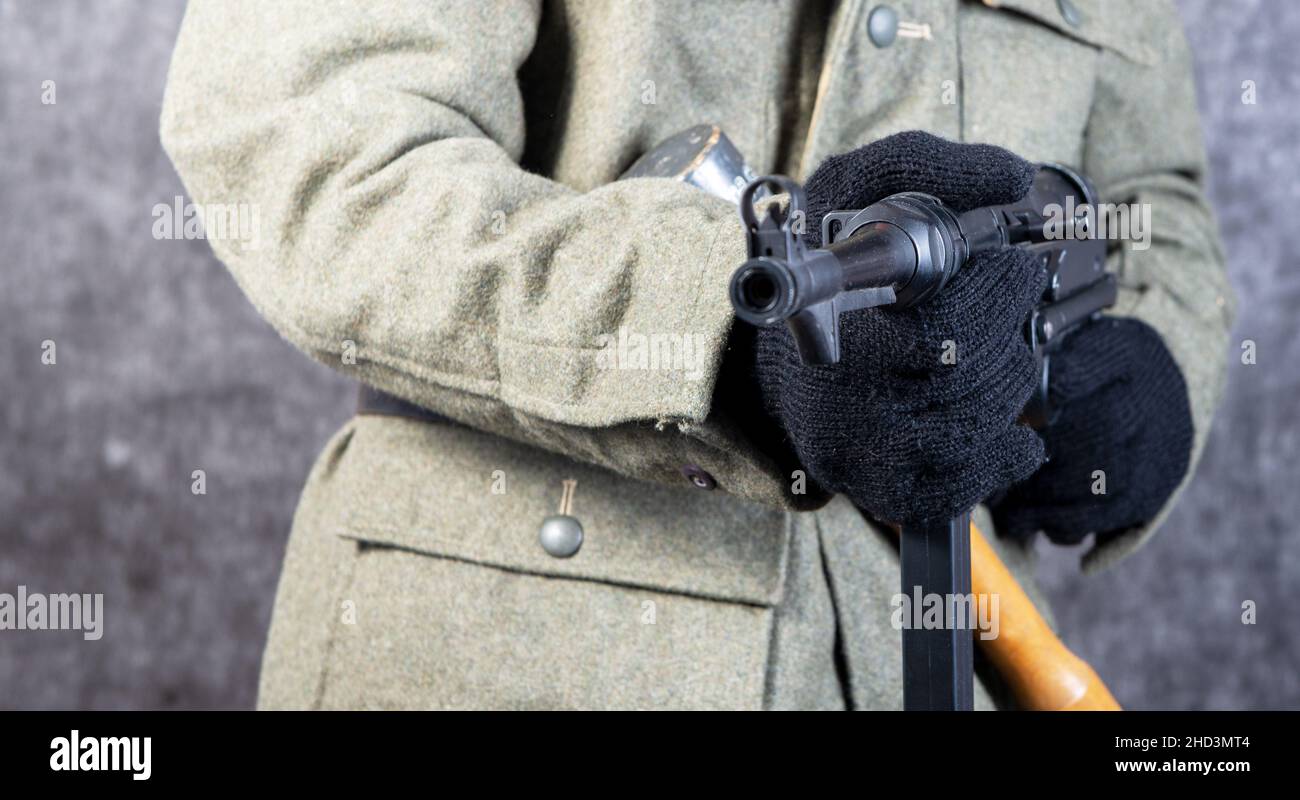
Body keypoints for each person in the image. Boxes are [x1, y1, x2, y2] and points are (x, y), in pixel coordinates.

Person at [161, 0, 1232, 710]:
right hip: (517, 652)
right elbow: (305, 144)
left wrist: (1155, 370)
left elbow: (1156, 198)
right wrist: (720, 338)